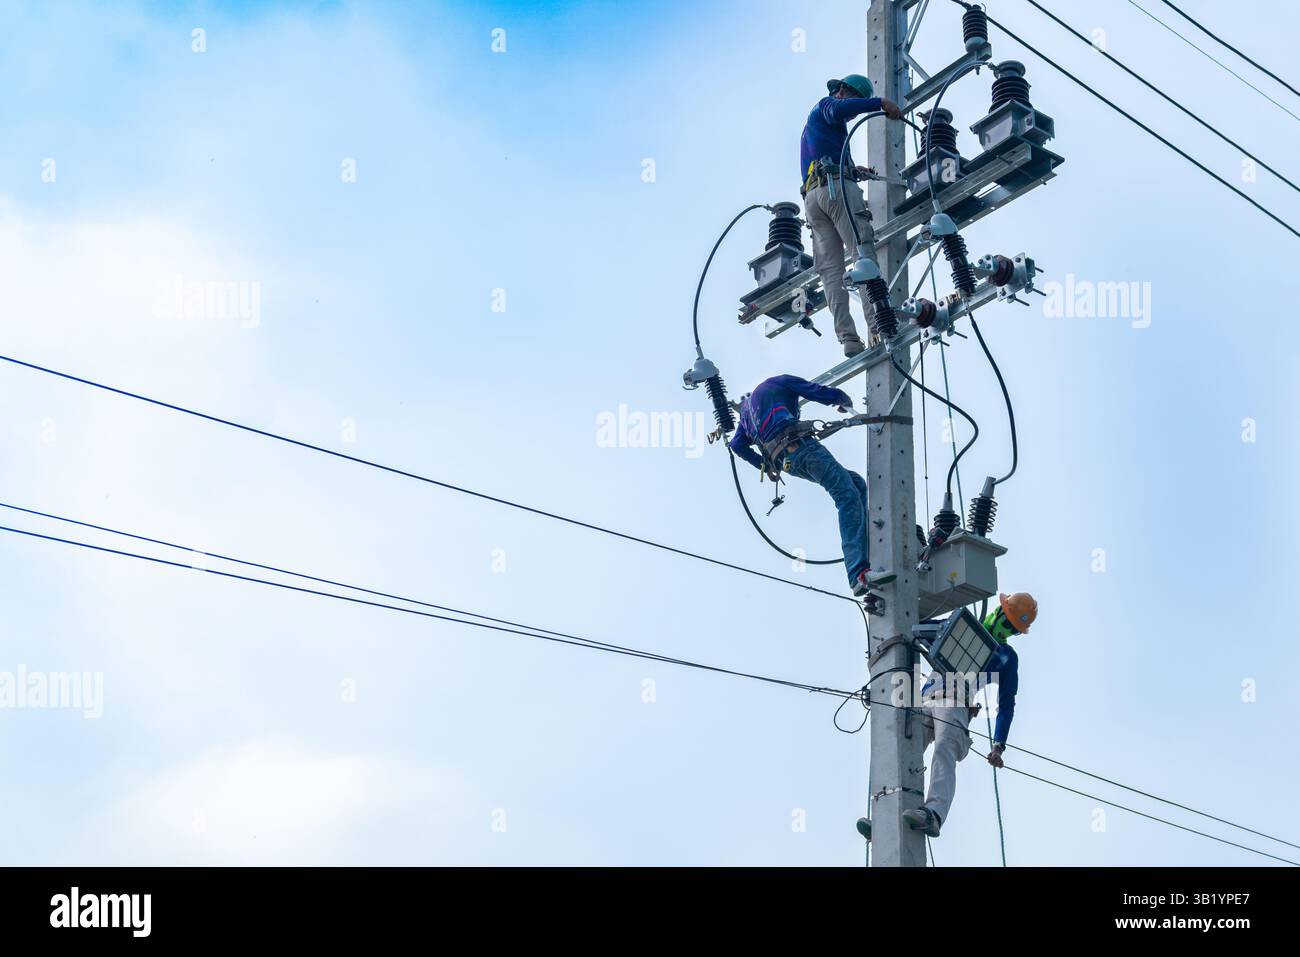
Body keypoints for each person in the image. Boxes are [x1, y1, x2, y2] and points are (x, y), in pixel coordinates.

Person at [728, 374, 895, 596]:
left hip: (788, 462)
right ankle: (859, 573)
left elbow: (737, 445)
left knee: (855, 484)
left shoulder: (746, 416)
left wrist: (765, 466)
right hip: (801, 448)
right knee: (846, 496)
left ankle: (866, 555)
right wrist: (841, 398)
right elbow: (812, 390)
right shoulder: (777, 382)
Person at [903, 592, 1039, 838]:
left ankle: (933, 814)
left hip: (956, 703)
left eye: (1013, 628)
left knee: (944, 748)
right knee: (902, 747)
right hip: (925, 698)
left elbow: (1006, 704)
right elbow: (918, 630)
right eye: (1007, 621)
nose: (1007, 629)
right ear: (999, 611)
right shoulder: (960, 625)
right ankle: (887, 808)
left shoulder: (1005, 657)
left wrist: (999, 745)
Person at [800, 74, 903, 357]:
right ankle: (879, 327)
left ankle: (848, 339)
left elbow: (826, 157)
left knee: (830, 270)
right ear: (843, 91)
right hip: (835, 192)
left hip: (813, 199)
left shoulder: (816, 128)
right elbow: (840, 109)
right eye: (855, 99)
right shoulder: (827, 106)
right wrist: (880, 103)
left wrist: (854, 171)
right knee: (862, 254)